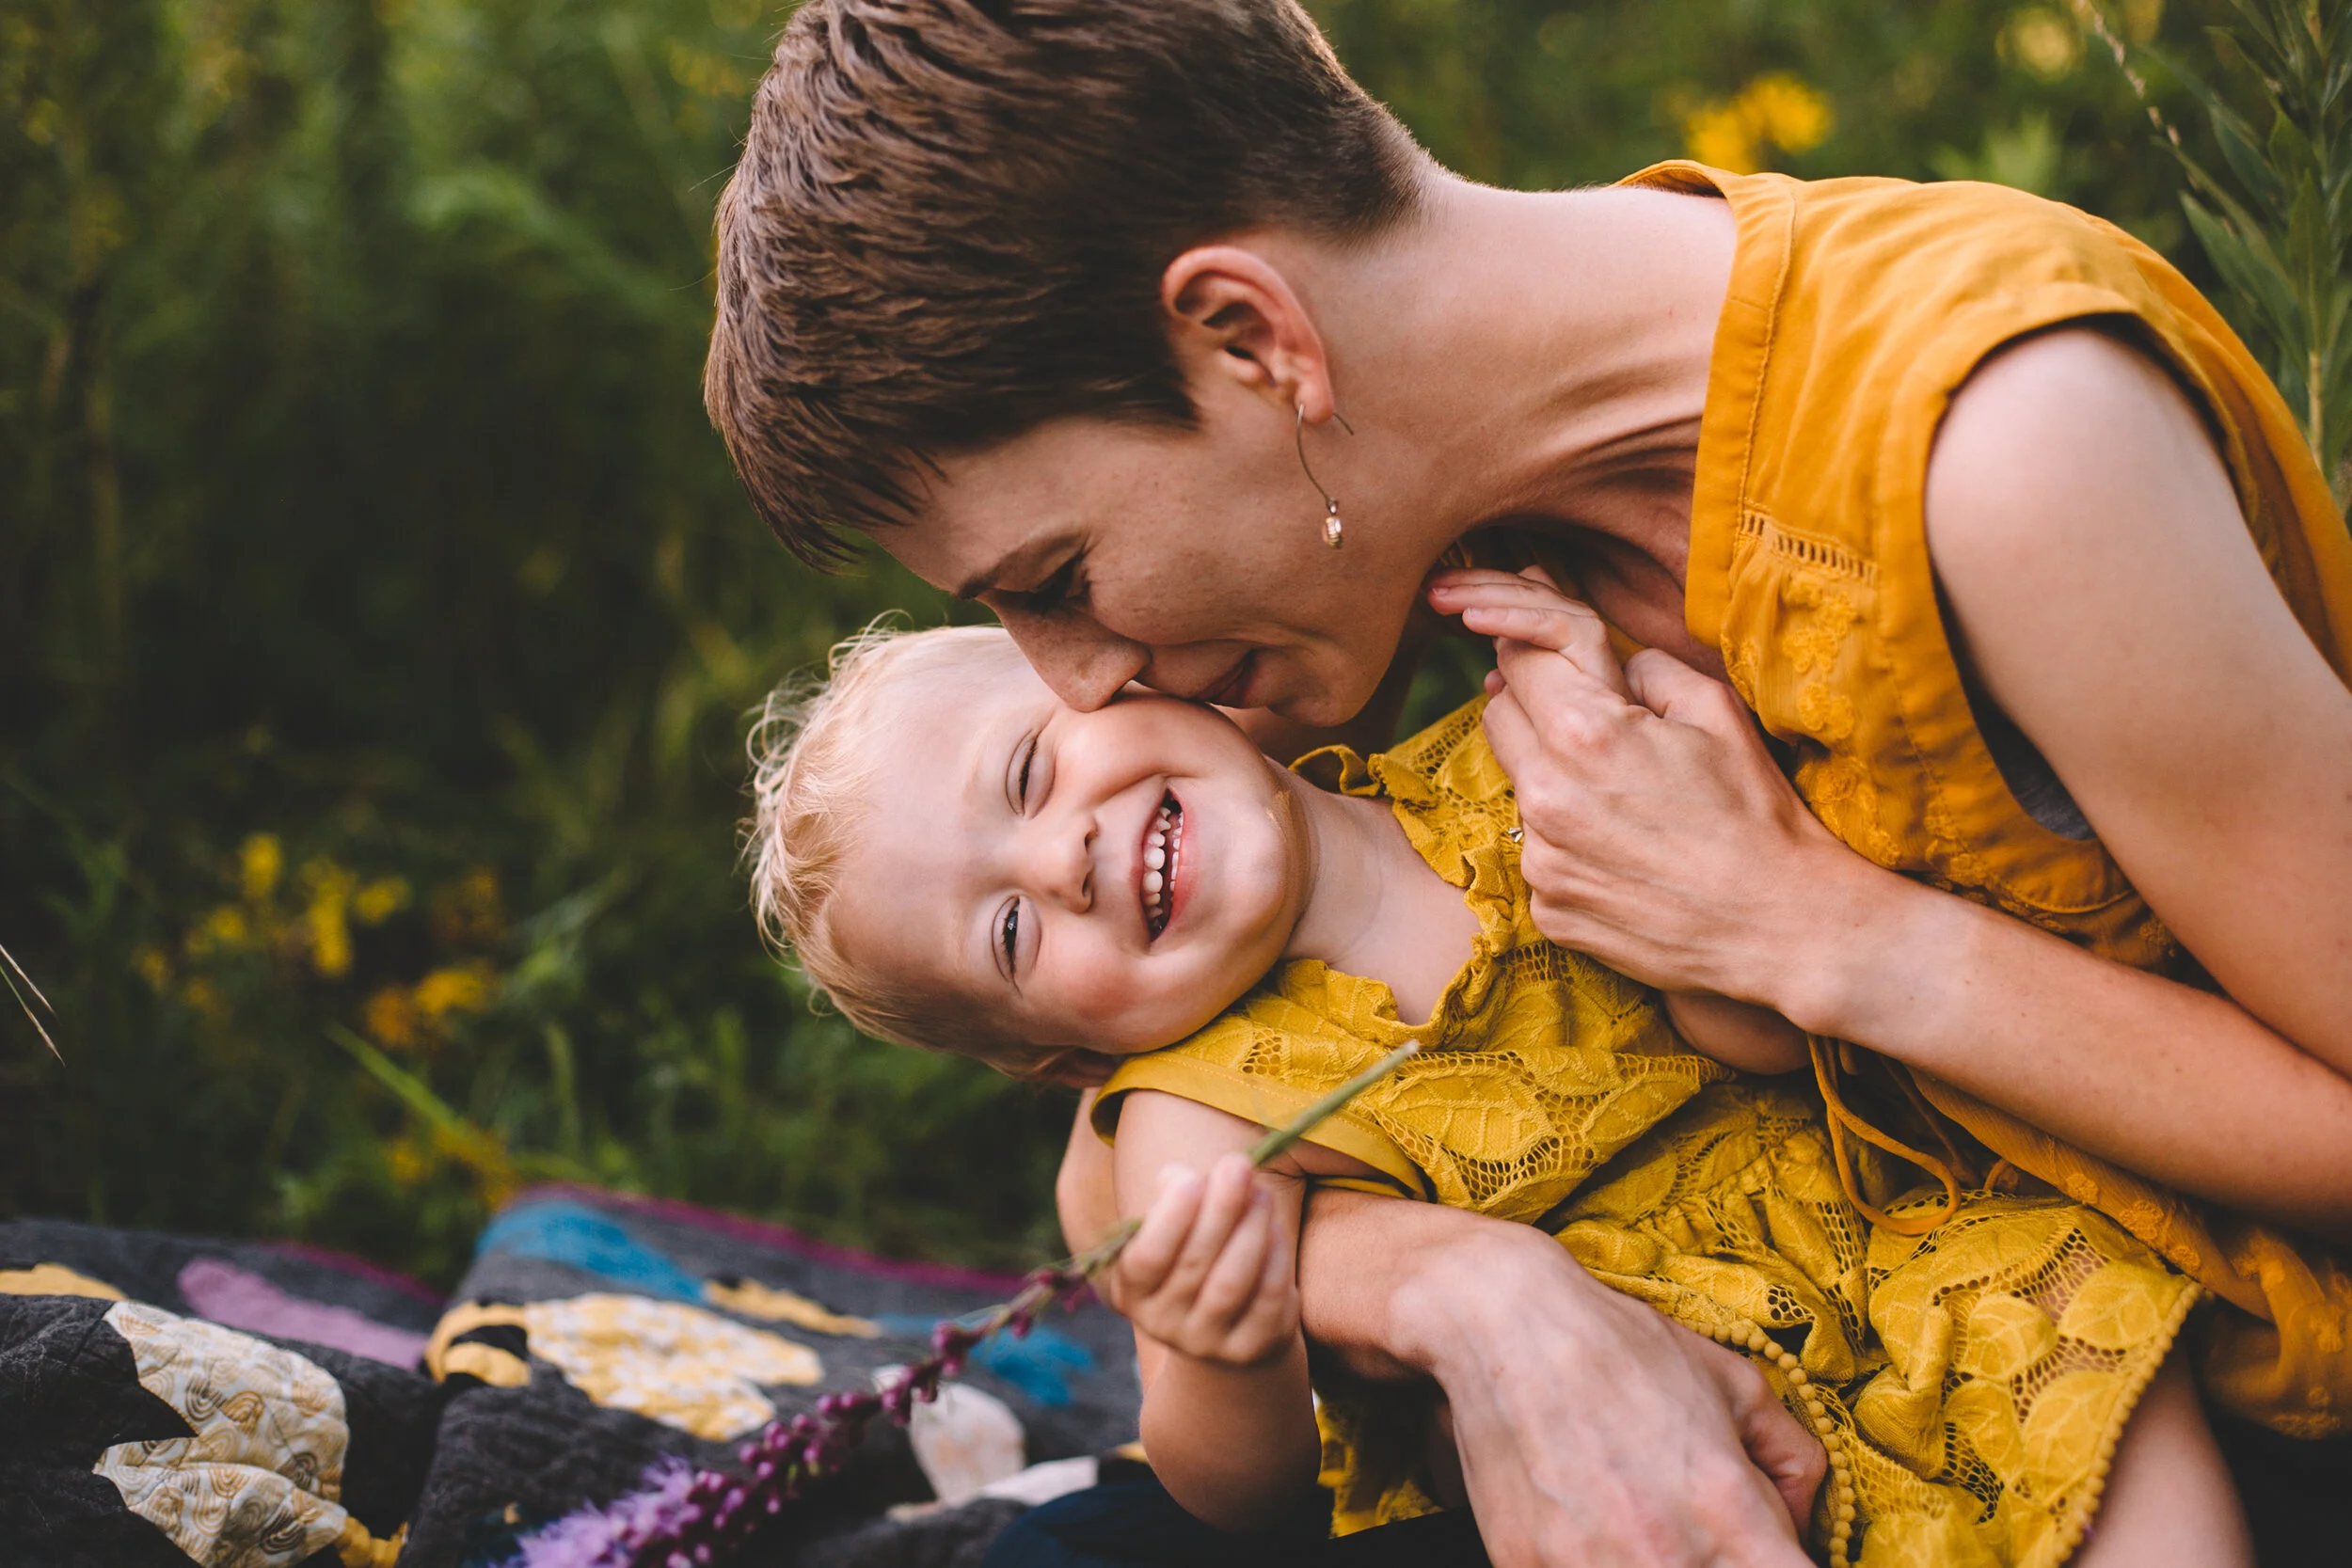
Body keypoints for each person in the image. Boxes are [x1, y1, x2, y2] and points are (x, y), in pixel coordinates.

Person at [703, 2, 2352, 1562]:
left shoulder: (2008, 452)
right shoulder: (1452, 529)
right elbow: (1121, 1160)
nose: (1079, 677)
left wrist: (1829, 937)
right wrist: (1449, 1281)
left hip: (2195, 1375)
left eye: (1057, 573)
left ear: (1249, 339)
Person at [744, 617, 2245, 1566]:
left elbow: (1754, 1037)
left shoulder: (1501, 763)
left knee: (2104, 1417)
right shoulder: (1201, 1119)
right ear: (1067, 1060)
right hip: (1659, 1426)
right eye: (1009, 933)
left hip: (1918, 1252)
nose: (1057, 856)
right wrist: (1222, 1350)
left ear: (1125, 671)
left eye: (1027, 772)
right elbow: (1233, 1495)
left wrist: (1618, 734)